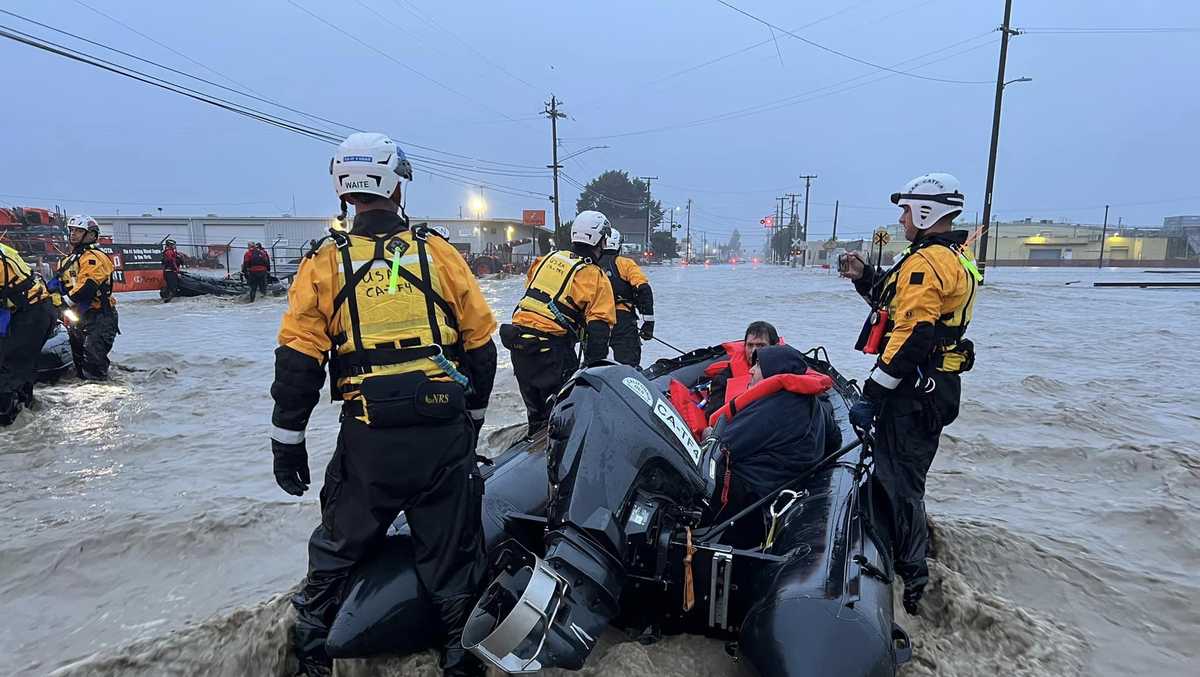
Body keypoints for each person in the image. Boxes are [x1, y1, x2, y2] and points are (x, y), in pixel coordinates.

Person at [269, 133, 497, 677]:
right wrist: (473, 421)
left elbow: (298, 364)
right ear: (395, 184)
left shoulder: (324, 263)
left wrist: (288, 443)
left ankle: (310, 653)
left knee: (338, 547)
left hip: (369, 440)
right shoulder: (438, 252)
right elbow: (482, 348)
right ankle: (459, 658)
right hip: (440, 433)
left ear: (344, 191)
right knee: (454, 561)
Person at [838, 172, 980, 616]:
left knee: (899, 481)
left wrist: (872, 393)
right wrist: (866, 277)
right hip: (931, 385)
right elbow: (898, 306)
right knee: (899, 475)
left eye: (906, 210)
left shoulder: (926, 262)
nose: (900, 219)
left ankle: (913, 578)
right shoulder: (942, 256)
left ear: (925, 212)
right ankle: (908, 558)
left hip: (916, 390)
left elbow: (914, 332)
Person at [704, 344, 841, 547]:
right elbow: (835, 441)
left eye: (758, 365)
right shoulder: (813, 404)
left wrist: (709, 434)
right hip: (780, 492)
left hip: (749, 501)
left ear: (774, 372)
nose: (750, 370)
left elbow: (723, 446)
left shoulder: (773, 407)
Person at [500, 210, 616, 434]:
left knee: (536, 415)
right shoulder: (594, 275)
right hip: (550, 351)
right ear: (599, 240)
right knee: (563, 417)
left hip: (519, 345)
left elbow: (537, 294)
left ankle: (531, 451)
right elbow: (599, 331)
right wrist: (594, 374)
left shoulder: (547, 260)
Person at [54, 215, 118, 381]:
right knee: (79, 362)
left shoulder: (95, 257)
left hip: (100, 317)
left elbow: (87, 287)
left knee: (93, 361)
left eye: (78, 231)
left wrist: (64, 302)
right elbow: (56, 285)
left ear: (91, 235)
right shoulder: (66, 261)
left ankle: (102, 392)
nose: (73, 234)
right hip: (78, 317)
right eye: (71, 230)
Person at [0, 243, 55, 424]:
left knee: (7, 369)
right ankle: (25, 416)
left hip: (29, 313)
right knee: (20, 370)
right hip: (35, 309)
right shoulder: (3, 249)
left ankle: (7, 423)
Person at [599, 228, 654, 367]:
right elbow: (644, 289)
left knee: (594, 363)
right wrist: (648, 323)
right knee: (629, 366)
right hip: (622, 321)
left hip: (595, 321)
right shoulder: (625, 264)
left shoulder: (589, 265)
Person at [703, 320, 780, 419]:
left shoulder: (788, 371)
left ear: (775, 347)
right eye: (750, 345)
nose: (754, 351)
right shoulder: (724, 378)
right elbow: (713, 415)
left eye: (761, 345)